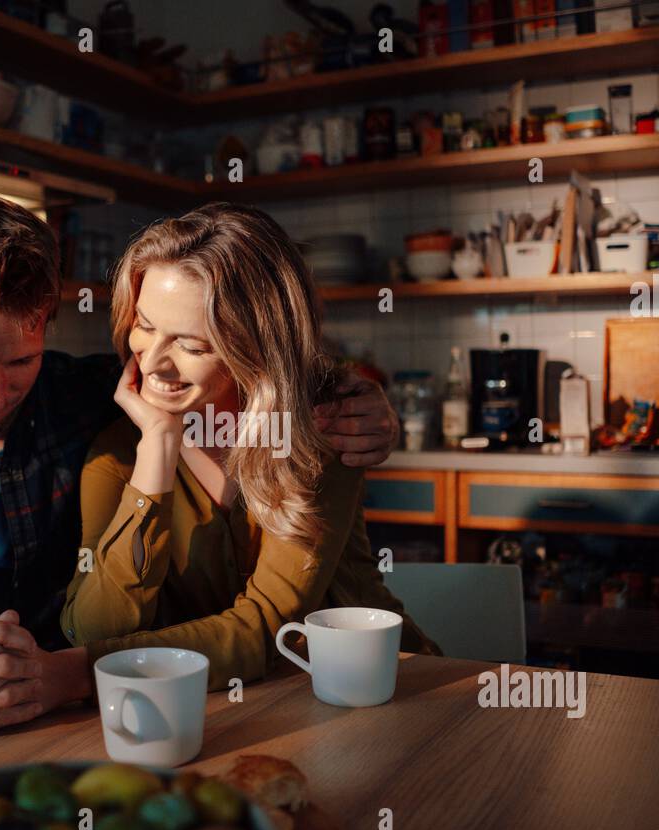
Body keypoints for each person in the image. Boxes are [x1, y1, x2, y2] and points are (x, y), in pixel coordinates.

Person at [0, 195, 402, 751]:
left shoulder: (92, 398)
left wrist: (361, 400)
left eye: (20, 361)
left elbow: (270, 370)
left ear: (46, 321)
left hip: (118, 718)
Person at [61, 202, 439, 686]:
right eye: (144, 325)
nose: (153, 362)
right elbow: (91, 628)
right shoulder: (116, 454)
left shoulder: (320, 431)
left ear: (256, 348)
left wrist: (72, 677)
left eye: (192, 346)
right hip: (237, 709)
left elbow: (265, 629)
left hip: (381, 687)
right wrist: (157, 447)